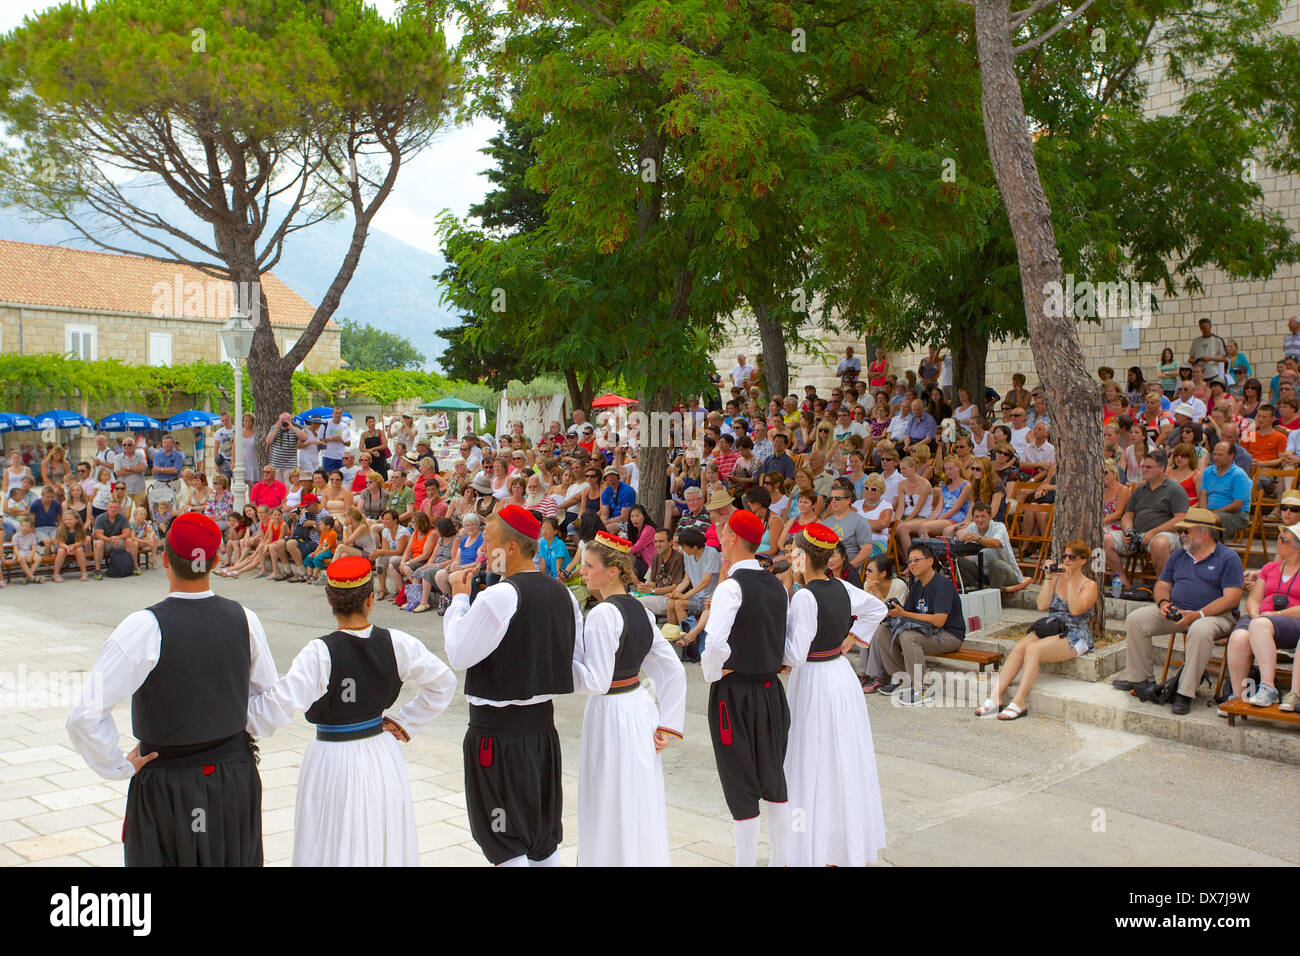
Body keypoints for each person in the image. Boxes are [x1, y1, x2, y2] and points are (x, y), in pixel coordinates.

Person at [67, 513, 276, 865]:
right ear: (217, 559)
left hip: (169, 783)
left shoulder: (143, 627)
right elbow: (268, 701)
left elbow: (85, 715)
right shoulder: (245, 619)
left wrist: (118, 765)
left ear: (164, 558)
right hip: (232, 779)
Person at [245, 555, 456, 865]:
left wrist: (231, 717)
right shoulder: (397, 643)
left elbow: (276, 708)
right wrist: (405, 722)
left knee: (331, 840)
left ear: (329, 599)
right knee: (379, 839)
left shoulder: (318, 653)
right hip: (381, 755)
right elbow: (443, 682)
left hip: (331, 756)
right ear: (371, 598)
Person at [442, 506, 604, 867]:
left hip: (497, 737)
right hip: (541, 733)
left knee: (503, 838)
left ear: (511, 548)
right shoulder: (562, 594)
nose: (484, 549)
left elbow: (458, 653)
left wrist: (457, 599)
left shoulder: (499, 595)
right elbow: (574, 660)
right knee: (540, 837)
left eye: (489, 540)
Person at [575, 531, 686, 866]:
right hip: (640, 709)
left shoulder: (602, 614)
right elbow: (671, 668)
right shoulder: (640, 610)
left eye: (589, 566)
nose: (583, 572)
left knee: (608, 791)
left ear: (612, 571)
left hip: (610, 710)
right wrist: (668, 723)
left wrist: (557, 666)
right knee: (637, 793)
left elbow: (595, 679)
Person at [782, 522, 888, 866]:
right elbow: (877, 609)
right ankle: (840, 845)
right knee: (841, 757)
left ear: (804, 557)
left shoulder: (805, 597)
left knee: (812, 757)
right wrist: (852, 638)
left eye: (794, 551)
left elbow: (795, 654)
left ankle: (813, 846)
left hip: (813, 679)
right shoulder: (841, 586)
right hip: (840, 677)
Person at [701, 509, 793, 868]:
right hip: (771, 692)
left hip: (735, 692)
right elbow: (786, 642)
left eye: (723, 534)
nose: (721, 539)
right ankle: (782, 861)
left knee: (740, 783)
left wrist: (713, 673)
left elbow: (715, 643)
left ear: (733, 539)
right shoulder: (776, 585)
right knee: (773, 777)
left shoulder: (731, 587)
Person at [1113, 509, 1244, 714]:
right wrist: (1164, 602)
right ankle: (1140, 681)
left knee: (1200, 629)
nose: (1181, 534)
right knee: (1136, 619)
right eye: (1181, 530)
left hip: (1215, 616)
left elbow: (1232, 598)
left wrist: (1199, 613)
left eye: (1186, 531)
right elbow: (1163, 584)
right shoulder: (1180, 555)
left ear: (1205, 533)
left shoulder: (1228, 558)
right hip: (1179, 611)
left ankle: (1185, 692)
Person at [976, 540, 1100, 719]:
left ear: (1083, 560)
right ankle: (995, 696)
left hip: (1075, 633)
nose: (1066, 560)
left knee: (1033, 650)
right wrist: (1049, 578)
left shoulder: (1089, 585)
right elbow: (1041, 604)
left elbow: (1075, 610)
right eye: (1064, 556)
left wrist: (1071, 581)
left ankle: (1019, 701)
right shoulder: (1057, 578)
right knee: (1020, 647)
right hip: (1052, 626)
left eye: (1071, 557)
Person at [863, 543, 966, 704]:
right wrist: (894, 612)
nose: (912, 564)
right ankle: (901, 680)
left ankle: (923, 690)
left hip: (949, 635)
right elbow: (907, 613)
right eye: (910, 561)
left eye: (917, 560)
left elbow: (939, 620)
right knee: (883, 630)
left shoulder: (942, 585)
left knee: (908, 637)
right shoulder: (917, 584)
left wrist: (903, 613)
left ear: (930, 561)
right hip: (926, 631)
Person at [1102, 449, 1188, 587]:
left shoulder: (1175, 489)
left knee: (1159, 544)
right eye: (1143, 466)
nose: (1144, 470)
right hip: (1136, 534)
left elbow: (1180, 518)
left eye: (1148, 467)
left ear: (1161, 468)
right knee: (1105, 539)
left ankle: (1164, 586)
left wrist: (1153, 532)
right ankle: (1122, 580)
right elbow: (1128, 515)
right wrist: (1128, 530)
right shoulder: (1139, 490)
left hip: (1163, 534)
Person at [955, 501, 1027, 594]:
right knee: (959, 560)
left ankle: (994, 600)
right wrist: (962, 541)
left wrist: (978, 539)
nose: (980, 520)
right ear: (973, 518)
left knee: (996, 565)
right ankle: (973, 591)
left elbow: (996, 543)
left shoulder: (999, 527)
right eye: (977, 517)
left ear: (990, 516)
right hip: (983, 573)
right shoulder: (972, 528)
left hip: (1007, 574)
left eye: (983, 516)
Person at [633, 527, 685, 617]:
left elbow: (675, 586)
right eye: (655, 542)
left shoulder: (678, 558)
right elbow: (653, 582)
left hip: (670, 598)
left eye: (661, 541)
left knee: (637, 603)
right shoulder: (656, 557)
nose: (657, 544)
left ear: (670, 542)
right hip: (656, 595)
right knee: (629, 598)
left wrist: (652, 590)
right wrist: (645, 587)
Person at [91, 498, 138, 579]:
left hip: (118, 541)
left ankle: (133, 566)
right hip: (105, 541)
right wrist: (109, 539)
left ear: (119, 509)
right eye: (111, 507)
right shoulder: (100, 518)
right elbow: (98, 535)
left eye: (115, 507)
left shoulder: (123, 518)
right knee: (99, 543)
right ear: (107, 508)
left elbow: (127, 532)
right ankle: (97, 570)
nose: (113, 509)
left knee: (129, 541)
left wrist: (117, 537)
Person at [321, 407, 351, 474]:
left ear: (341, 415)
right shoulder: (325, 425)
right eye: (336, 413)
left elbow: (348, 444)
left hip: (341, 457)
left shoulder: (345, 426)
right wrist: (331, 439)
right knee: (328, 477)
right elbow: (320, 440)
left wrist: (341, 440)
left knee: (341, 477)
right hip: (328, 456)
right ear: (332, 414)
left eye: (339, 413)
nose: (337, 415)